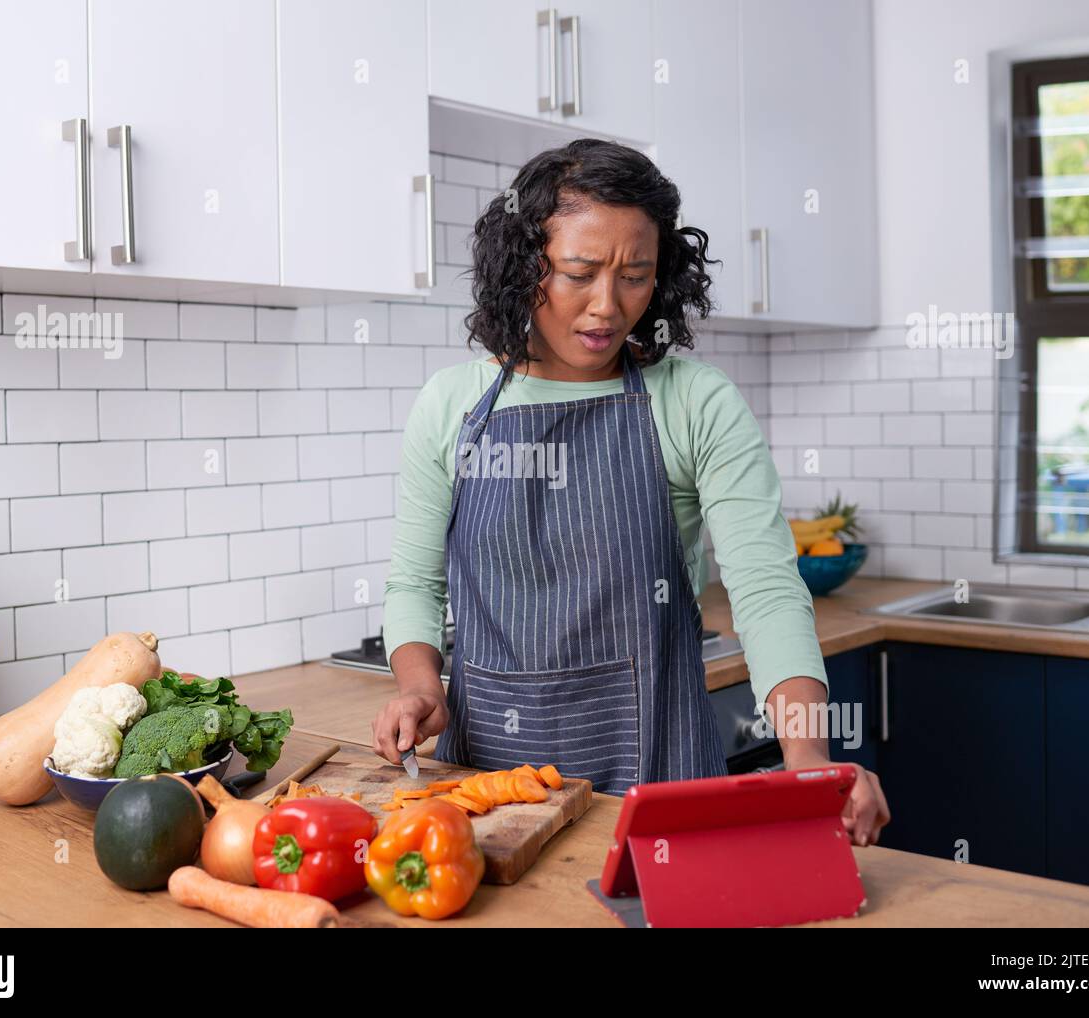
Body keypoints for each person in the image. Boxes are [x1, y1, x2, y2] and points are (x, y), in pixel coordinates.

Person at [373, 138, 889, 846]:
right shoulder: (450, 406)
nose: (607, 307)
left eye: (636, 276)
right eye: (579, 273)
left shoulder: (696, 402)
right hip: (487, 796)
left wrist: (807, 758)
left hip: (660, 786)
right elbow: (414, 583)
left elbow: (768, 592)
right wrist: (421, 687)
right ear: (524, 267)